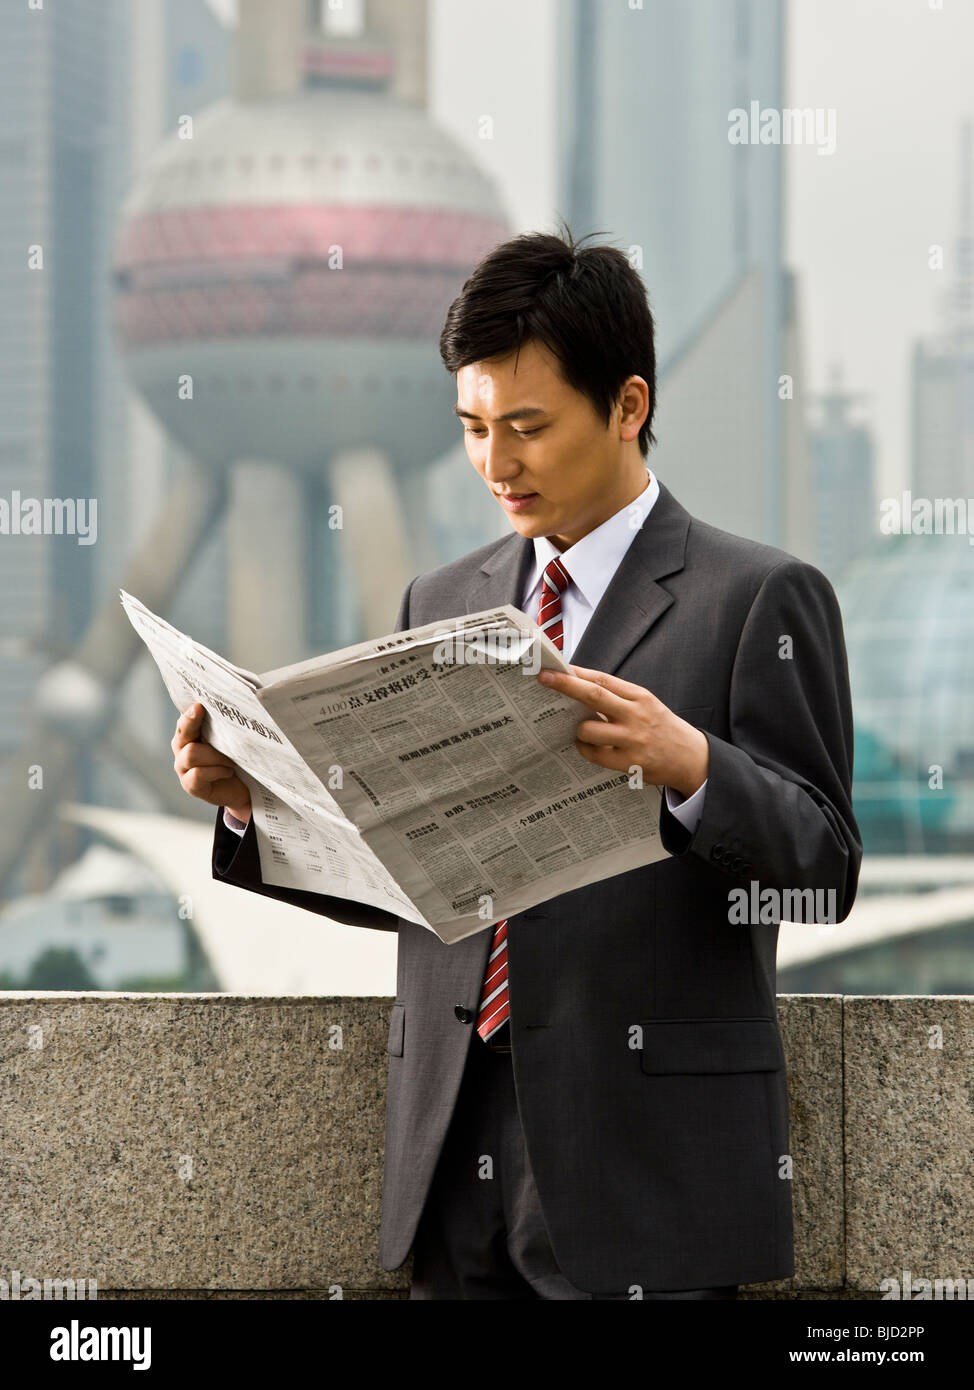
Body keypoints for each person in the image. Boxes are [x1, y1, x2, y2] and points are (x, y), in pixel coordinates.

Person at [172, 226, 861, 1299]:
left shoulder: (756, 599)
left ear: (627, 405)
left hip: (646, 1173)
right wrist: (256, 807)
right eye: (473, 427)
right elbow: (410, 879)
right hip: (447, 1151)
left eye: (528, 428)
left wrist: (691, 768)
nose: (497, 463)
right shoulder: (438, 602)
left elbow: (821, 872)